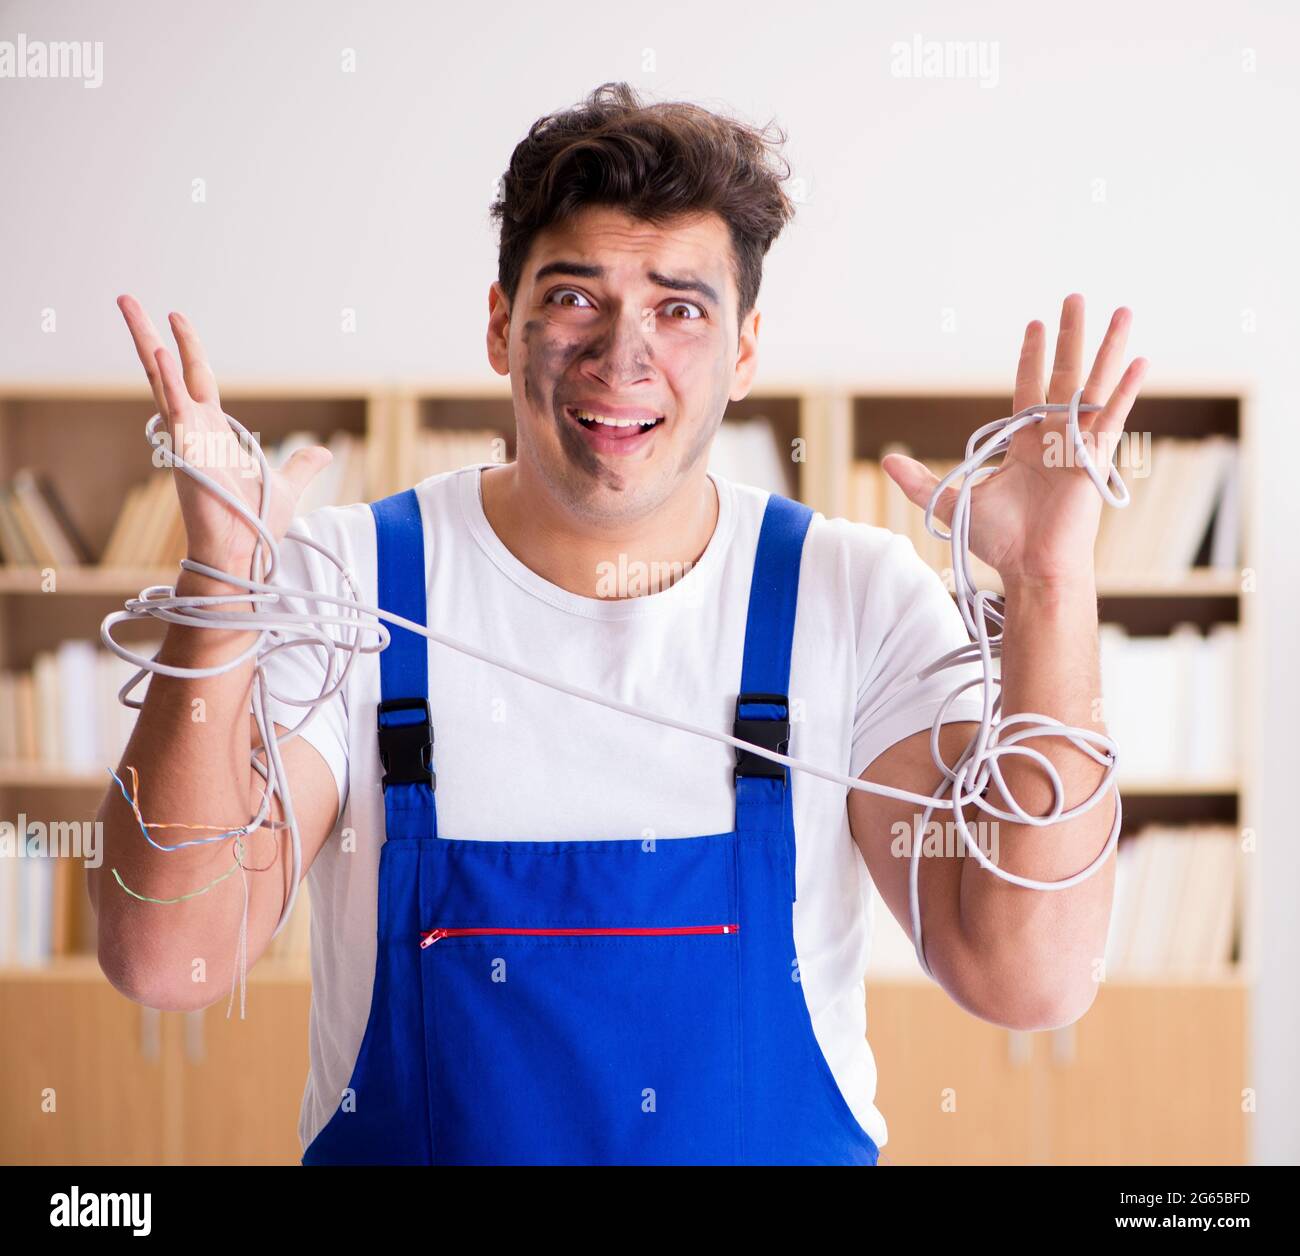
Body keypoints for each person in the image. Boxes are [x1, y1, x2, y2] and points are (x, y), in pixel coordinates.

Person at [91, 81, 1146, 1166]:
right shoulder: (352, 582)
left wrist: (1051, 584)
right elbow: (171, 957)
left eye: (680, 307)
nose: (621, 353)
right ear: (502, 326)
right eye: (574, 297)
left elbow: (1032, 977)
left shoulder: (850, 594)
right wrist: (220, 587)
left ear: (743, 351)